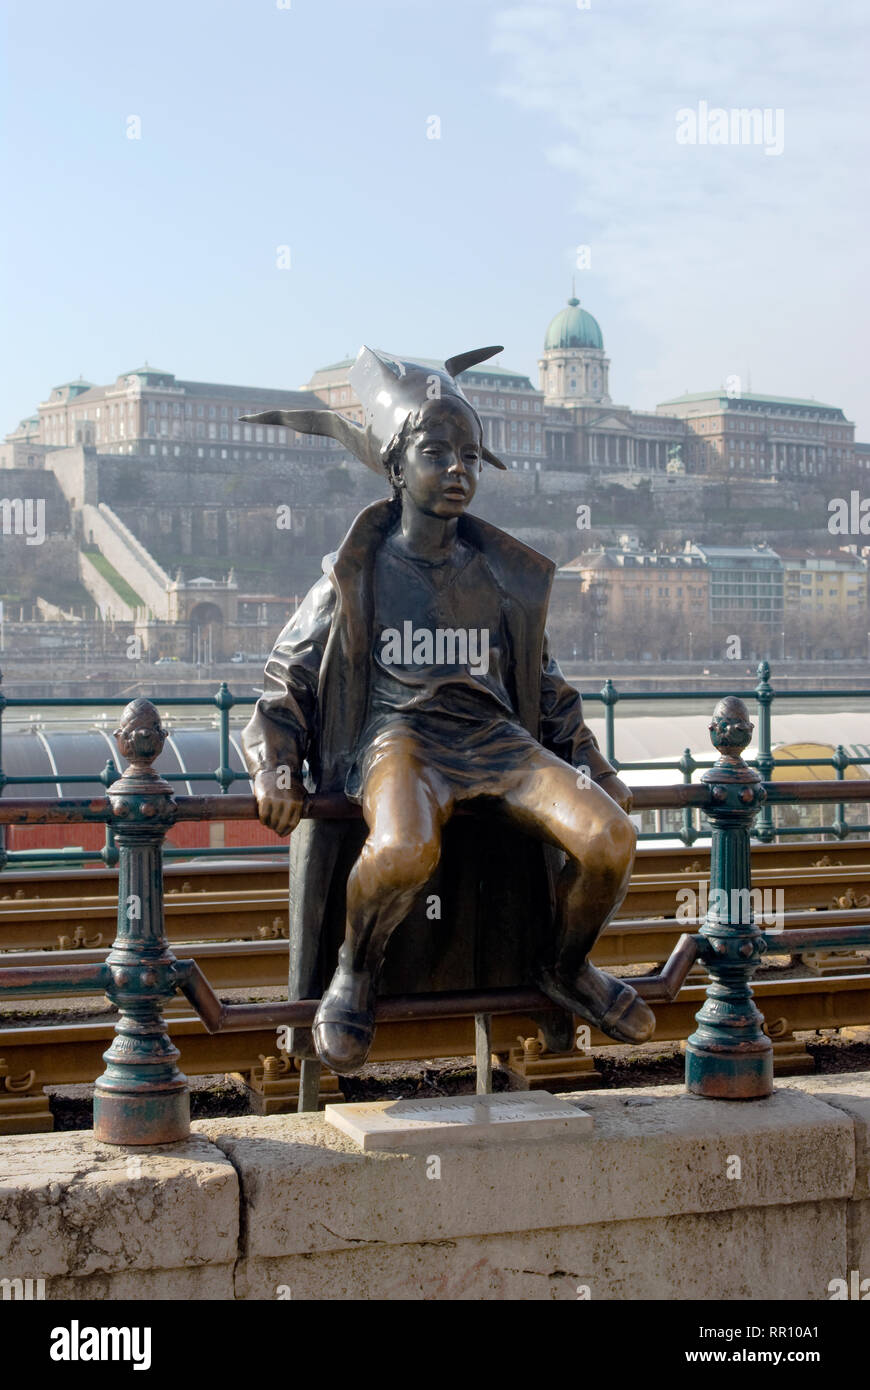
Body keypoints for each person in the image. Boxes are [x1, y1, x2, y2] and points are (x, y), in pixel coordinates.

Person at [240, 345, 655, 1072]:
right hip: (399, 741)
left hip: (499, 744)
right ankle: (356, 969)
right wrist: (274, 765)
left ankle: (565, 966)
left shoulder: (500, 578)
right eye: (438, 453)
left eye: (470, 454)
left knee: (609, 838)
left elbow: (548, 688)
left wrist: (589, 760)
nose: (459, 468)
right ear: (397, 467)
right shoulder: (354, 576)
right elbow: (285, 682)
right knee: (401, 850)